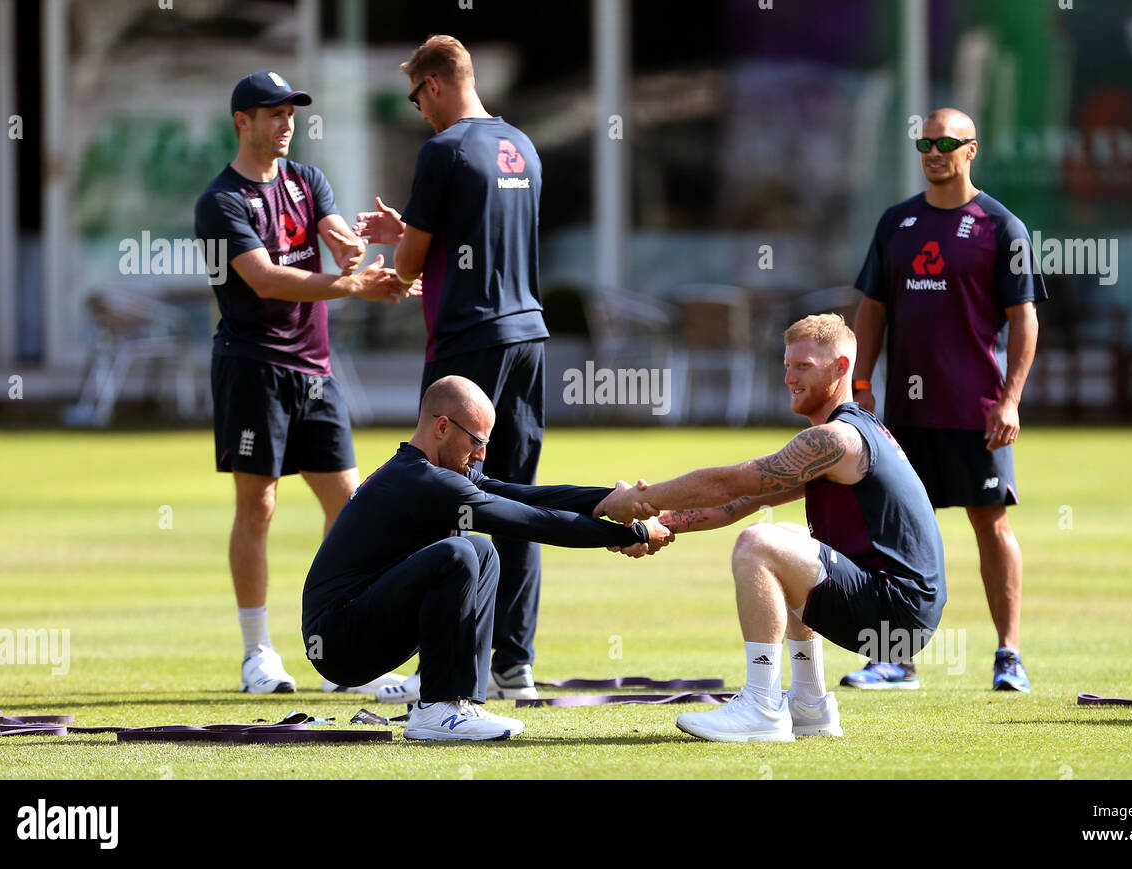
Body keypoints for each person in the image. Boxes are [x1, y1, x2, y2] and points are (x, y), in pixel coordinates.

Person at [595, 315, 945, 742]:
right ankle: (810, 704)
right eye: (786, 365)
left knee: (758, 544)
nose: (788, 378)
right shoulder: (846, 436)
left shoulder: (834, 441)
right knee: (792, 540)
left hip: (896, 612)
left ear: (840, 367)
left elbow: (730, 482)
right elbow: (739, 503)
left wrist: (636, 499)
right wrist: (651, 526)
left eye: (803, 366)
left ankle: (761, 705)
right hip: (900, 613)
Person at [301, 376, 673, 741]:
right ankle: (436, 709)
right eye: (476, 441)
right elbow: (533, 523)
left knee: (483, 551)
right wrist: (630, 533)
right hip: (337, 642)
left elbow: (525, 497)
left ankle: (461, 703)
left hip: (360, 627)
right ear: (443, 427)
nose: (481, 455)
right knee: (459, 553)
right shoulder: (422, 481)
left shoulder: (432, 471)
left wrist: (609, 501)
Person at [195, 71, 410, 695]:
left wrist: (363, 250)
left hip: (314, 369)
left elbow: (339, 243)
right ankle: (257, 654)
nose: (286, 123)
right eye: (272, 113)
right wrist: (350, 284)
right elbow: (264, 280)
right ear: (242, 121)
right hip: (251, 366)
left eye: (290, 112)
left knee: (351, 507)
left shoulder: (308, 181)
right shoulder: (221, 202)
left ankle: (344, 651)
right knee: (257, 508)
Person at [353, 35, 551, 699]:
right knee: (517, 496)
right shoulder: (522, 146)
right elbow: (477, 232)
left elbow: (412, 265)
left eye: (415, 98)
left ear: (434, 83)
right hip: (528, 336)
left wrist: (399, 252)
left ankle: (447, 668)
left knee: (445, 499)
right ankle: (512, 664)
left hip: (468, 342)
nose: (418, 111)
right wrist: (405, 230)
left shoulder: (442, 150)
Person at [844, 107, 1047, 691]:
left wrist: (1010, 400)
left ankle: (1008, 655)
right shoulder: (896, 223)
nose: (934, 151)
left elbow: (1024, 321)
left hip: (975, 410)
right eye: (925, 142)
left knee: (991, 523)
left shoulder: (1001, 227)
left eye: (946, 142)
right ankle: (896, 658)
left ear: (971, 150)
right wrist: (862, 385)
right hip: (907, 413)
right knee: (900, 533)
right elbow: (872, 309)